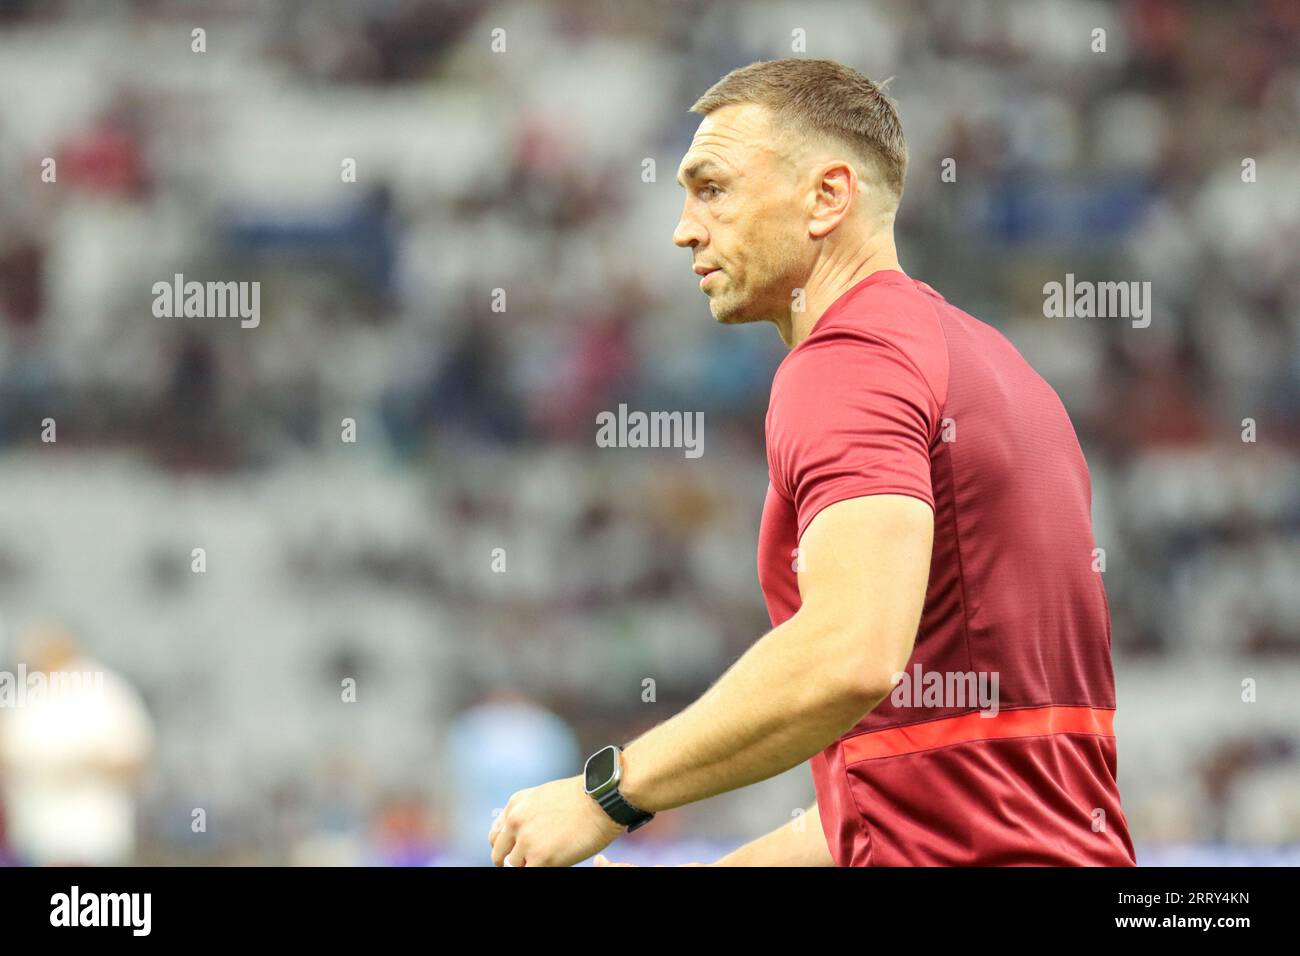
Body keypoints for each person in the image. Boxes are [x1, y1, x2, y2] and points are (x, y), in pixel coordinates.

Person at [488, 58, 1136, 867]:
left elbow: (848, 654)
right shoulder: (999, 370)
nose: (684, 227)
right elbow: (899, 805)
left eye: (713, 187)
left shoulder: (848, 361)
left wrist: (606, 794)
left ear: (828, 196)